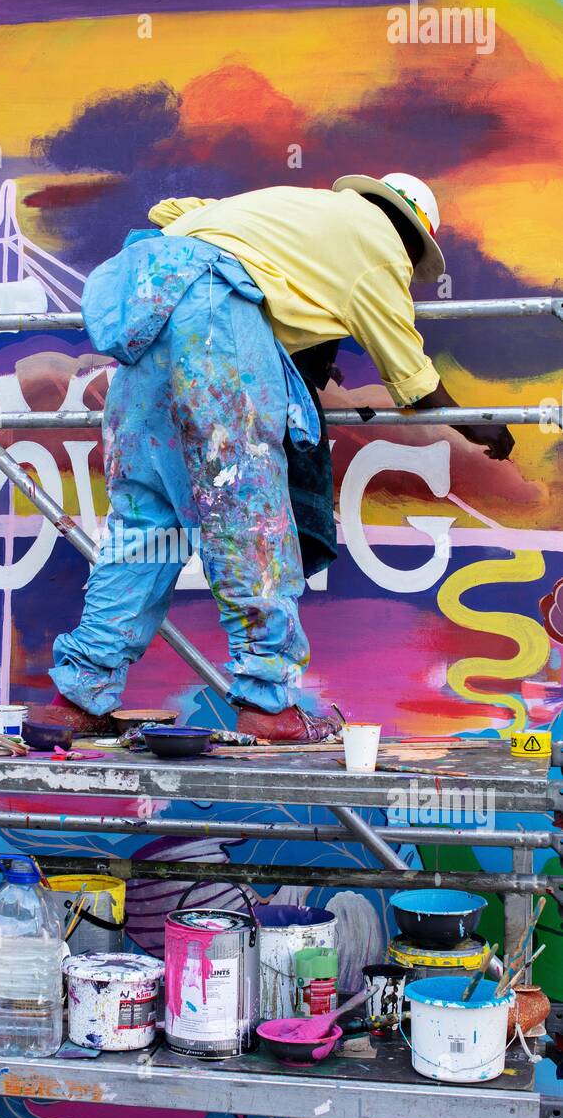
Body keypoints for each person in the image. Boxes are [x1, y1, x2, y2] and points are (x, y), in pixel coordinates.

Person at [43, 173, 514, 743]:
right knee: (249, 522)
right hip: (213, 327)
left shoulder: (280, 212)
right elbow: (410, 377)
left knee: (146, 525)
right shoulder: (379, 241)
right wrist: (478, 422)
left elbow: (171, 214)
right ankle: (267, 706)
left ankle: (78, 696)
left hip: (146, 325)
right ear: (413, 237)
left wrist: (291, 346)